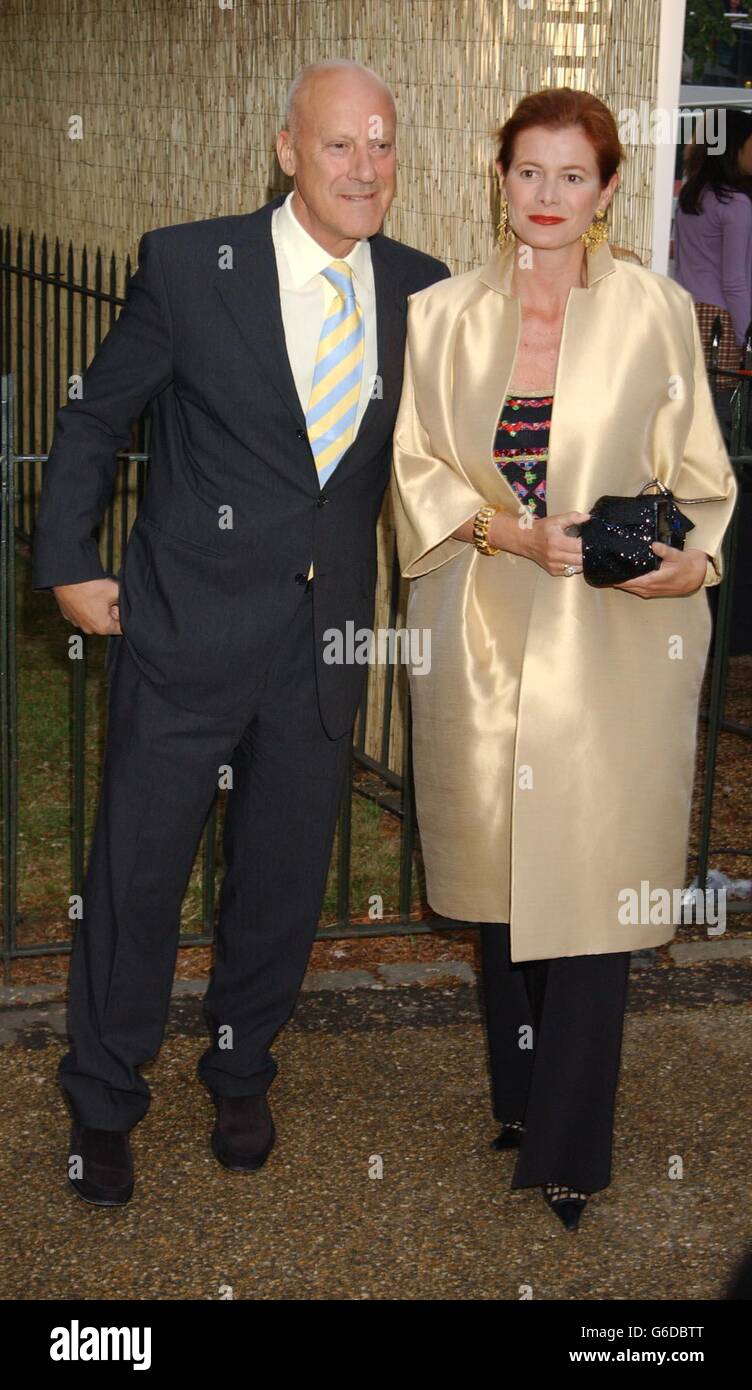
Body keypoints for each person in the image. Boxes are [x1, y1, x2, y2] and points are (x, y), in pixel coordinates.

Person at [31, 59, 449, 1206]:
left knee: (278, 878)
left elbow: (447, 455)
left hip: (319, 644)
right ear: (285, 151)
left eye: (381, 144)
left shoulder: (424, 289)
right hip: (182, 630)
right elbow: (95, 414)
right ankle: (104, 1095)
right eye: (338, 146)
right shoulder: (187, 262)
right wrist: (69, 558)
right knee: (137, 876)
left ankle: (241, 1065)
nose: (365, 168)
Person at [391, 87, 737, 1231]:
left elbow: (700, 483)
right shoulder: (440, 314)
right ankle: (520, 1093)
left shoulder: (654, 310)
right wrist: (506, 530)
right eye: (528, 172)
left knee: (586, 885)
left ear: (604, 192)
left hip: (614, 637)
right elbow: (420, 469)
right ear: (500, 176)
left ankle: (571, 1146)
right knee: (499, 878)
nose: (546, 196)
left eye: (571, 177)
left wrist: (693, 566)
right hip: (484, 623)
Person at [673, 109, 752, 377]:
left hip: (684, 313)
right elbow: (734, 280)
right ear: (734, 148)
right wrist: (746, 336)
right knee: (723, 412)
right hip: (721, 320)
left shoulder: (691, 196)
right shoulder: (735, 203)